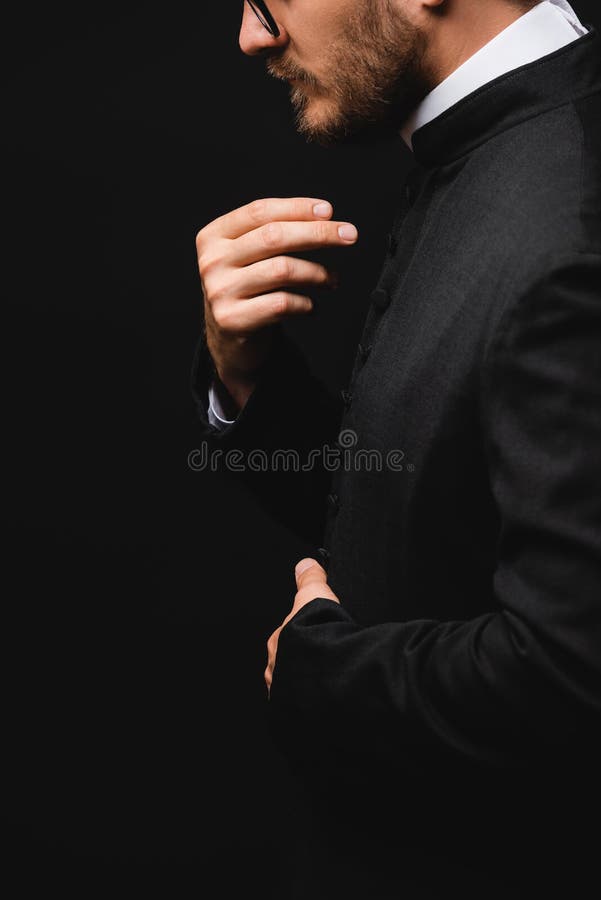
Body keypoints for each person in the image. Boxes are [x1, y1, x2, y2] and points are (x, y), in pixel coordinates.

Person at [191, 1, 601, 897]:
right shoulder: (490, 146)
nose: (251, 36)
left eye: (271, 2)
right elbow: (428, 522)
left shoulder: (567, 215)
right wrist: (243, 374)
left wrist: (320, 677)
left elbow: (574, 679)